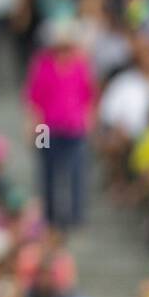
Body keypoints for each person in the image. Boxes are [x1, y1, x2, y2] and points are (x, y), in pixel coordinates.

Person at [25, 17, 96, 229]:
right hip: (47, 127)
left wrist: (88, 119)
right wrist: (33, 125)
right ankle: (50, 215)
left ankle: (75, 214)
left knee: (76, 171)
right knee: (47, 170)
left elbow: (88, 95)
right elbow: (33, 97)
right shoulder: (43, 64)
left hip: (74, 127)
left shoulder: (80, 64)